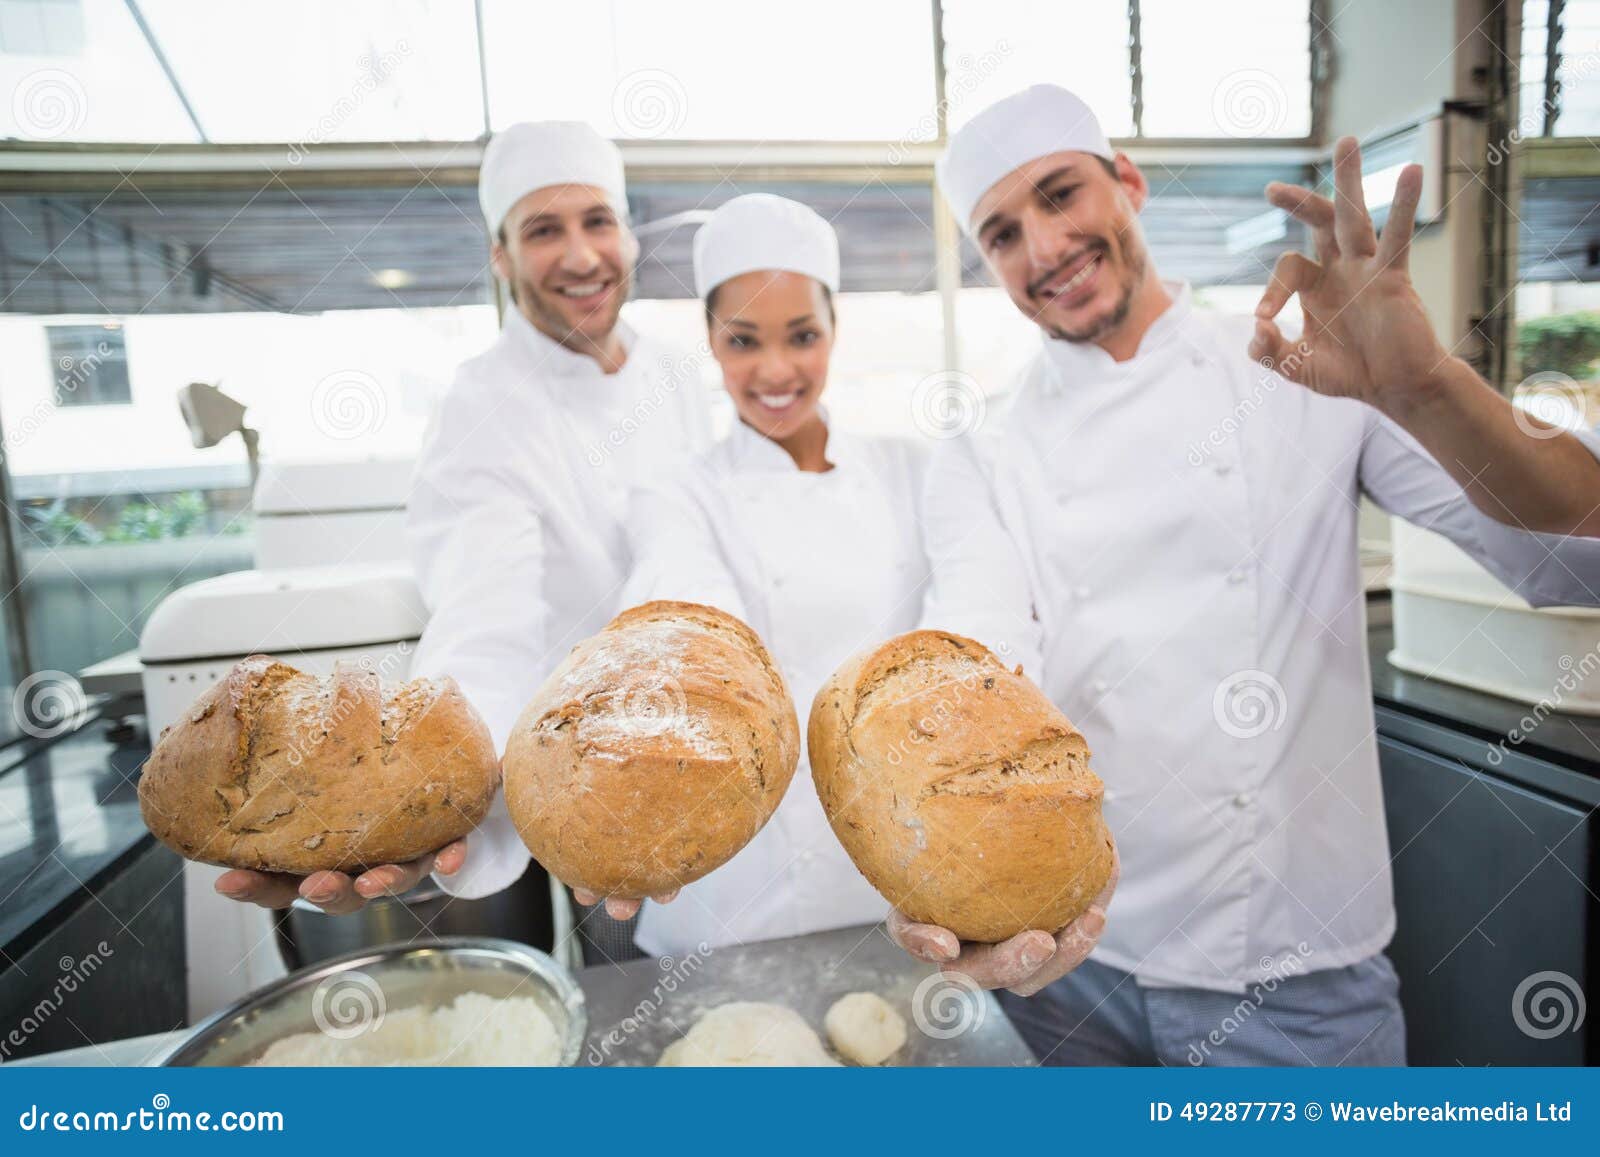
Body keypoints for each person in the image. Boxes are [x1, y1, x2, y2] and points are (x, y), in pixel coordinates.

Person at [893, 84, 1600, 1065]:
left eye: (1060, 195)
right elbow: (980, 663)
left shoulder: (1302, 361)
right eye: (1002, 234)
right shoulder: (983, 449)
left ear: (1128, 181)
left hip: (1286, 973)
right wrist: (935, 851)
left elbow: (1569, 559)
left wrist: (1426, 386)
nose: (1044, 248)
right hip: (1065, 964)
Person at [212, 121, 710, 916]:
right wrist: (433, 800)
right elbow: (487, 613)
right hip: (585, 787)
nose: (581, 255)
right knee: (627, 964)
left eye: (597, 221)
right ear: (501, 257)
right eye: (542, 230)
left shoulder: (677, 375)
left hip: (704, 748)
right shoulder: (483, 404)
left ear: (629, 235)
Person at [613, 193, 1022, 953]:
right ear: (711, 340)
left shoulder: (913, 469)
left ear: (835, 329)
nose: (775, 370)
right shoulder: (675, 492)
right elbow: (693, 632)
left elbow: (975, 637)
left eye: (802, 336)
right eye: (743, 341)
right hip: (727, 884)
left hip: (890, 866)